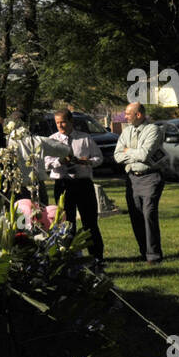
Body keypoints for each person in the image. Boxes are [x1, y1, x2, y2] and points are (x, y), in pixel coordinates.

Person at [44, 109, 104, 262]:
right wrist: (60, 162)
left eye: (63, 122)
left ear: (71, 122)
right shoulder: (51, 141)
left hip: (83, 183)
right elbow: (46, 164)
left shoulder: (84, 138)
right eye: (57, 123)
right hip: (63, 184)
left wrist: (87, 161)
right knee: (66, 223)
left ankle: (96, 257)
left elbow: (99, 158)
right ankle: (69, 257)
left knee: (90, 222)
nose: (60, 126)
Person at [113, 102, 166, 264]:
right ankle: (144, 252)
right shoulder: (126, 131)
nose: (125, 116)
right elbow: (117, 155)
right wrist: (132, 153)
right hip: (132, 179)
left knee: (148, 214)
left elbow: (144, 155)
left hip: (150, 177)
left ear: (139, 115)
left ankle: (154, 255)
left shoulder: (153, 130)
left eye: (128, 114)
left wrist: (128, 151)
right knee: (136, 216)